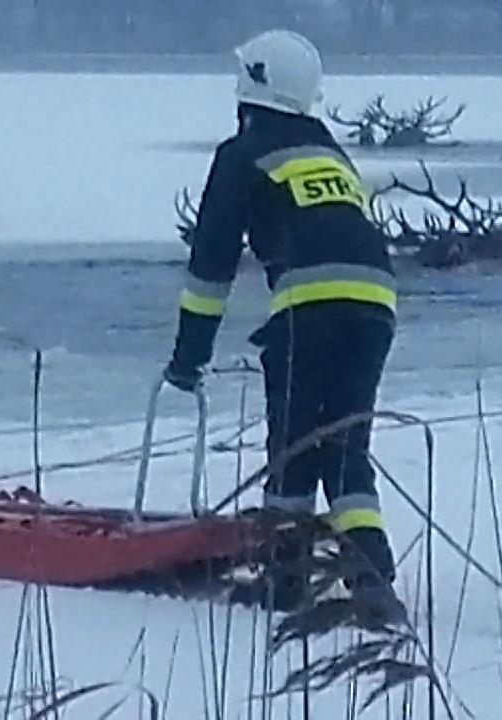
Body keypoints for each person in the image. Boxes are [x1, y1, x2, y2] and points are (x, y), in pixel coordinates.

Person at [163, 30, 402, 622]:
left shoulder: (242, 154)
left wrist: (188, 358)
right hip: (376, 303)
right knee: (346, 445)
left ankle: (288, 578)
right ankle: (372, 575)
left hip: (309, 303)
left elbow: (210, 266)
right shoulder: (328, 151)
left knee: (293, 445)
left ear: (255, 85)